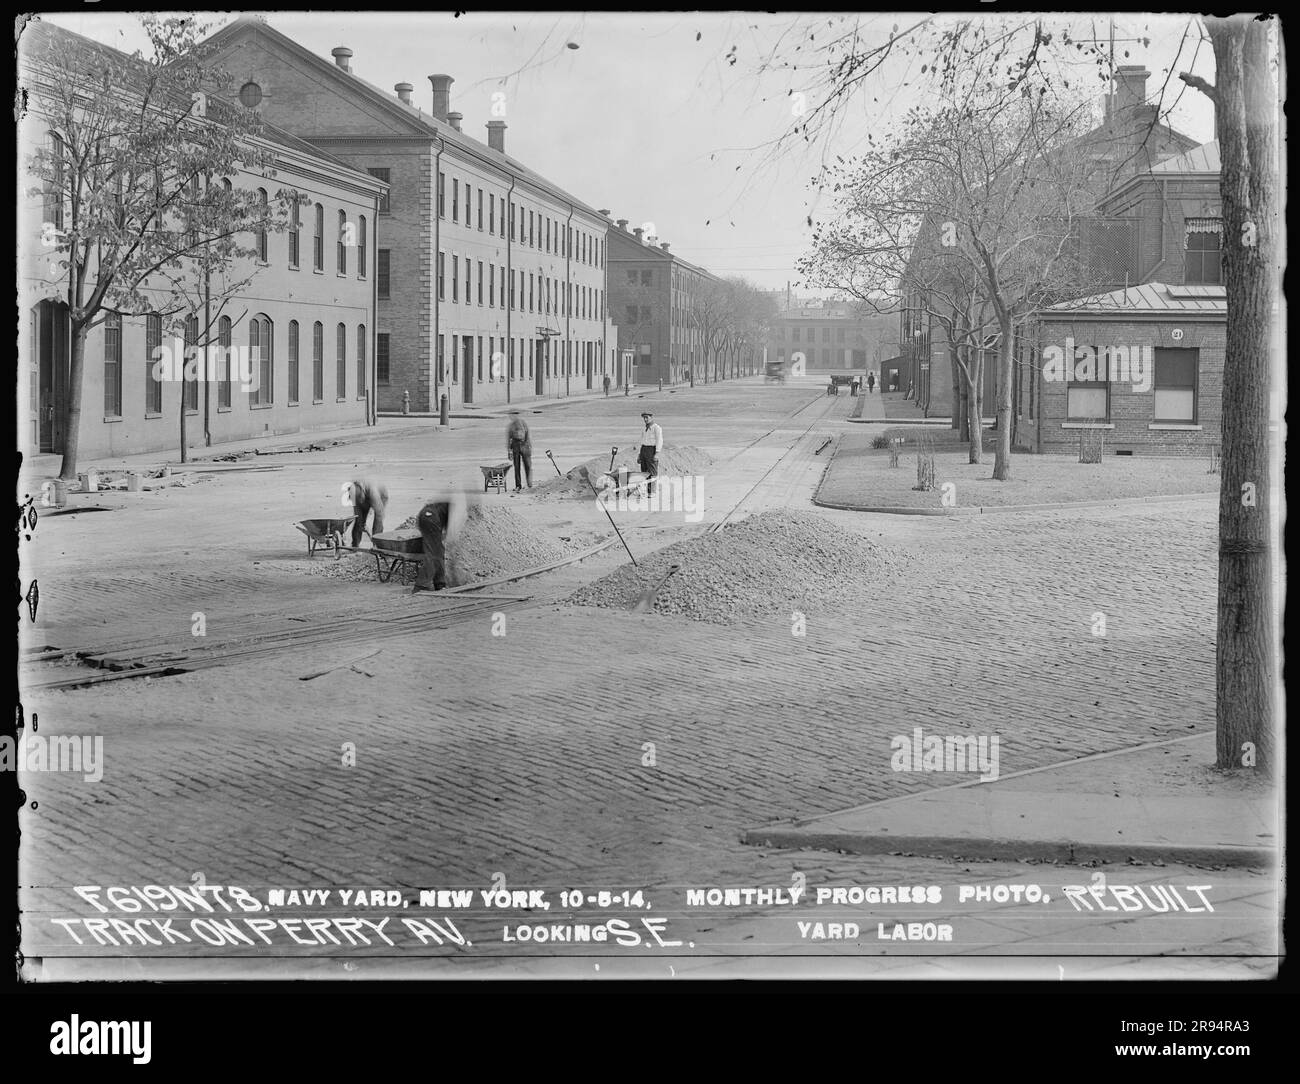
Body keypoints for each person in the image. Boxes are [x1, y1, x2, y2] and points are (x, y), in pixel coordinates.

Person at [413, 487, 469, 592]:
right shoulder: (458, 503)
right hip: (430, 517)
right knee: (434, 553)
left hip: (426, 516)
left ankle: (439, 583)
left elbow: (448, 528)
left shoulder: (452, 499)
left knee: (438, 551)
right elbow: (452, 528)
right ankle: (421, 586)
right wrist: (451, 544)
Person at [347, 476, 388, 547]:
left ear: (362, 490)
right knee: (358, 520)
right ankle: (355, 545)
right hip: (364, 496)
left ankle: (377, 545)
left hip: (380, 496)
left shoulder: (373, 491)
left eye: (359, 497)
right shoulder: (354, 490)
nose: (359, 501)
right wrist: (361, 522)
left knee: (378, 519)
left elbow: (379, 515)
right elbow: (357, 516)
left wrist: (375, 536)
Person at [637, 410, 662, 497]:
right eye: (644, 418)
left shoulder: (656, 428)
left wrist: (657, 453)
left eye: (647, 417)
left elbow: (659, 441)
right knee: (644, 471)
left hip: (652, 450)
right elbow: (641, 441)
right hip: (644, 449)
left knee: (652, 471)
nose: (645, 419)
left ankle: (653, 492)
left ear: (651, 417)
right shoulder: (644, 429)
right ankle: (646, 491)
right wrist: (639, 454)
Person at [506, 412, 532, 491]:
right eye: (512, 415)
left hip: (524, 445)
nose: (513, 417)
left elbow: (527, 434)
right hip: (515, 445)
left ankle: (529, 483)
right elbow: (509, 439)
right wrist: (509, 450)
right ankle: (518, 485)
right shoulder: (511, 426)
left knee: (527, 465)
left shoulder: (523, 423)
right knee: (517, 466)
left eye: (515, 415)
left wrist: (529, 445)